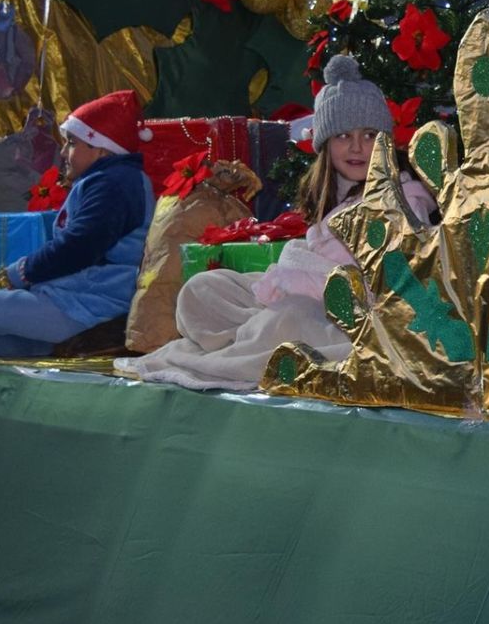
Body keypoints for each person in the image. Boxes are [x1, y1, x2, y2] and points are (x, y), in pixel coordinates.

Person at [118, 55, 432, 391]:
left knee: (290, 316)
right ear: (326, 143)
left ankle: (253, 343)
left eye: (369, 135)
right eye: (343, 135)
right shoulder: (332, 195)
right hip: (297, 293)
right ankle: (253, 337)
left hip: (350, 318)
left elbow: (383, 289)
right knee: (202, 290)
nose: (357, 147)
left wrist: (299, 282)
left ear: (385, 143)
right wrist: (287, 278)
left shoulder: (403, 201)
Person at [0, 89, 155, 358]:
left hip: (95, 304)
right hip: (80, 297)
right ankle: (63, 347)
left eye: (71, 143)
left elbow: (79, 246)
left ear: (100, 148)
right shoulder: (109, 179)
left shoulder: (114, 183)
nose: (64, 152)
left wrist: (22, 272)